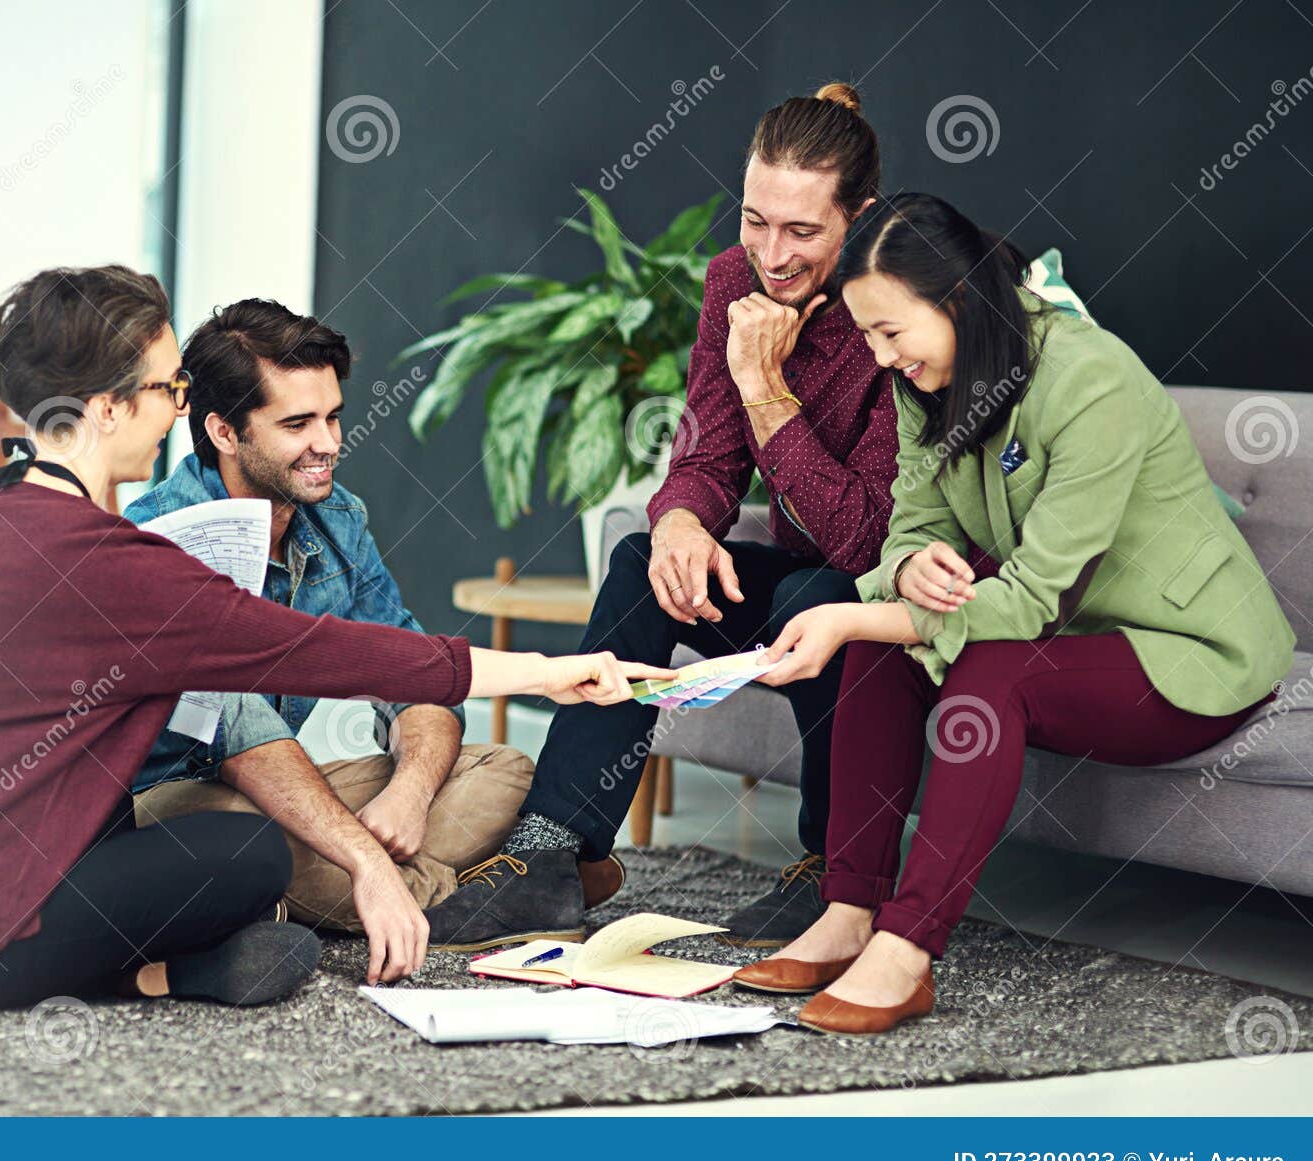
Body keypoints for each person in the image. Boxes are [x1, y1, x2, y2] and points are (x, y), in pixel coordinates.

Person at [0, 265, 672, 1021]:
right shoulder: (112, 562)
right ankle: (152, 973)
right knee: (245, 857)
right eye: (168, 390)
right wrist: (550, 671)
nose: (176, 409)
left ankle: (176, 963)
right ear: (107, 408)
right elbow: (324, 652)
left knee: (467, 778)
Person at [731, 193, 1294, 1034]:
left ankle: (907, 949)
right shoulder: (924, 381)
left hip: (1186, 650)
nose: (881, 356)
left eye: (891, 331)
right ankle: (848, 911)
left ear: (957, 298)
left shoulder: (1090, 378)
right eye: (869, 336)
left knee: (984, 671)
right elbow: (910, 524)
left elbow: (1033, 597)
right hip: (1069, 639)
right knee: (881, 650)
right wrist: (908, 565)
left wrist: (854, 614)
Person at [424, 82, 901, 952]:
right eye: (755, 220)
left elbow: (864, 540)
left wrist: (765, 385)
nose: (771, 255)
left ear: (859, 219)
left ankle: (836, 866)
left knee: (821, 591)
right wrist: (682, 521)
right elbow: (707, 454)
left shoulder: (897, 310)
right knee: (641, 559)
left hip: (892, 596)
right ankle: (553, 853)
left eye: (802, 231)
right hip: (797, 582)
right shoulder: (732, 282)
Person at [121, 299, 625, 939]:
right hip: (167, 802)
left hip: (286, 787)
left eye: (332, 417)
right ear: (224, 432)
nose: (329, 444)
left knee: (504, 773)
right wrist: (361, 850)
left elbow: (414, 674)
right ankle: (470, 897)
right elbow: (239, 738)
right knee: (251, 845)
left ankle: (281, 901)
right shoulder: (158, 538)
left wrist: (408, 795)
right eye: (298, 424)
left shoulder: (338, 520)